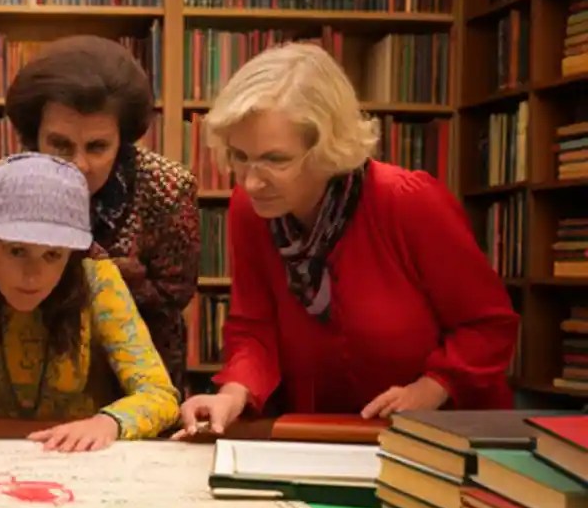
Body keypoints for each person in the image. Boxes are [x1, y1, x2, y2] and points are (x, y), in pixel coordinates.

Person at [174, 43, 519, 439]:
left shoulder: (408, 201)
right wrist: (233, 392)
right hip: (325, 436)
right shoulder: (250, 209)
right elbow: (255, 327)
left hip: (442, 440)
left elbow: (488, 325)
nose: (251, 180)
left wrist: (431, 388)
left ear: (326, 149)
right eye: (239, 156)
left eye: (276, 160)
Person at [0, 152, 181, 459]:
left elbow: (160, 395)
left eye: (53, 255)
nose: (32, 275)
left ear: (72, 254)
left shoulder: (97, 280)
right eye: (16, 250)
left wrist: (109, 423)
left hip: (75, 459)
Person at [0, 35, 199, 389]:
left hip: (133, 382)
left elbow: (172, 298)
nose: (79, 165)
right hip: (20, 378)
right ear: (33, 136)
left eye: (98, 147)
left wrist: (88, 269)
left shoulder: (167, 187)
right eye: (60, 145)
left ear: (123, 141)